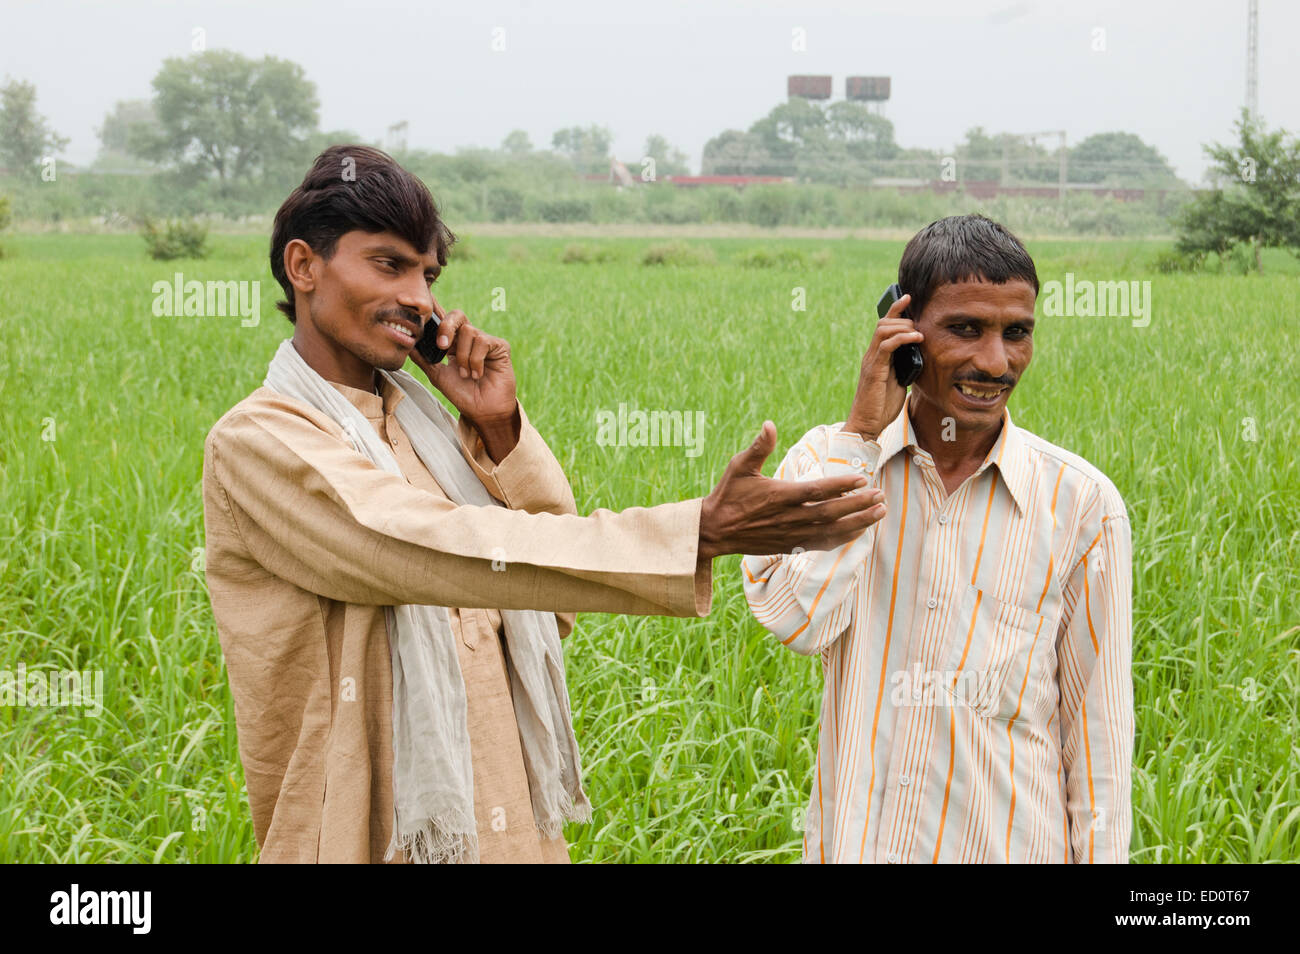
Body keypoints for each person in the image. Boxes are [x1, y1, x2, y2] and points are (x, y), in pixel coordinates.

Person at [201, 144, 886, 864]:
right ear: (303, 266)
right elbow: (413, 547)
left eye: (428, 274)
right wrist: (697, 532)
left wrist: (498, 426)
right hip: (370, 840)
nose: (419, 298)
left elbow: (546, 598)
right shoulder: (257, 443)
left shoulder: (428, 431)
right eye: (388, 264)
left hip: (513, 833)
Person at [742, 214, 1133, 864]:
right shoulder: (825, 464)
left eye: (1017, 333)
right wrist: (861, 438)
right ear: (904, 331)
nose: (996, 361)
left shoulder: (1082, 505)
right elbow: (799, 621)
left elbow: (1098, 737)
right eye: (965, 329)